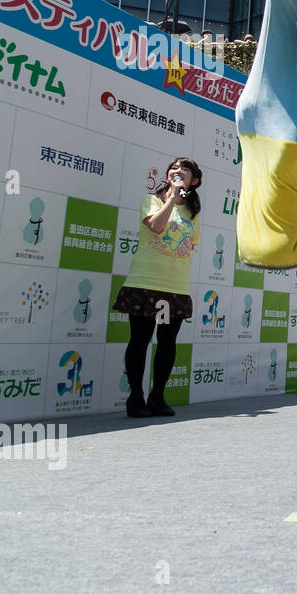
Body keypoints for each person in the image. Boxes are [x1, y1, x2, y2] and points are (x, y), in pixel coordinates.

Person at [113, 157, 202, 417]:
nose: (178, 171)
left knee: (166, 343)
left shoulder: (193, 211)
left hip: (174, 287)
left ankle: (157, 397)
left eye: (184, 169)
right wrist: (171, 199)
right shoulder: (151, 200)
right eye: (174, 167)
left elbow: (189, 247)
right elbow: (155, 226)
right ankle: (135, 398)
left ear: (194, 181)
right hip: (145, 284)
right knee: (140, 340)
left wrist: (180, 202)